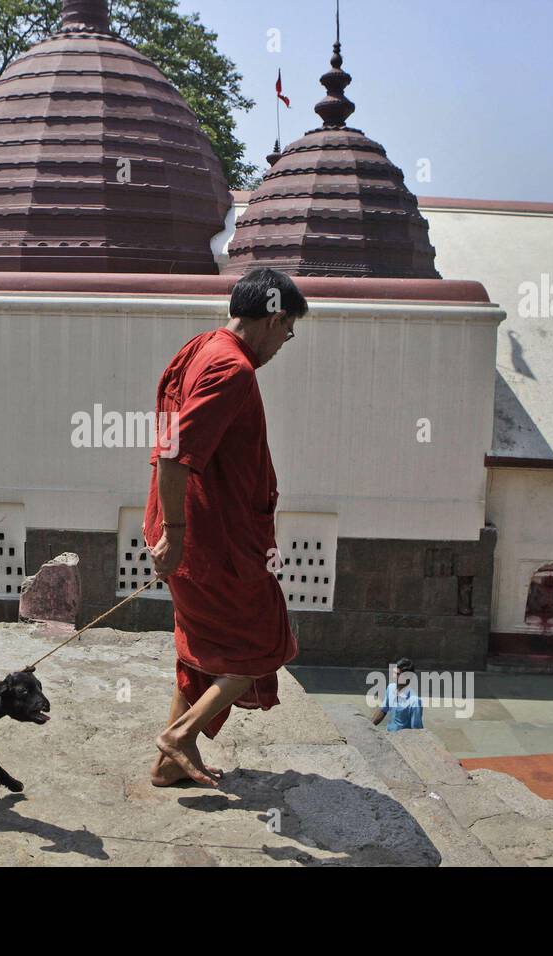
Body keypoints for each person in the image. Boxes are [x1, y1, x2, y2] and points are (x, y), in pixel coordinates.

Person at [145, 267, 309, 787]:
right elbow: (173, 455)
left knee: (201, 645)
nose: (285, 342)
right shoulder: (232, 370)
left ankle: (169, 766)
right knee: (264, 644)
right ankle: (178, 736)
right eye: (288, 330)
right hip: (210, 540)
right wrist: (175, 531)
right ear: (275, 317)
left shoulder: (202, 347)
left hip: (203, 532)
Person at [371, 658, 425, 731]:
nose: (394, 677)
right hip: (389, 736)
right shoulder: (390, 688)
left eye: (398, 674)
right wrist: (368, 727)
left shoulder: (414, 701)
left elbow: (416, 731)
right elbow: (383, 710)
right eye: (394, 673)